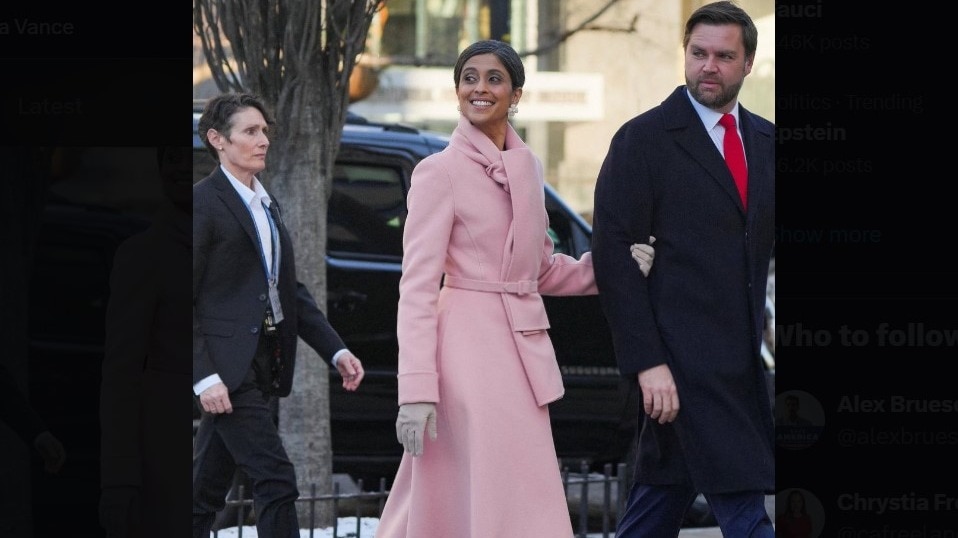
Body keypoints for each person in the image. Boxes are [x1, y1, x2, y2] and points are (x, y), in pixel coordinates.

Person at [375, 40, 655, 538]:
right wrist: (415, 390)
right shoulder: (437, 172)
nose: (479, 88)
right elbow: (416, 287)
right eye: (469, 78)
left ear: (516, 93)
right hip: (463, 350)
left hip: (522, 352)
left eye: (494, 79)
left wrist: (616, 267)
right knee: (472, 485)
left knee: (519, 484)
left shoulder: (527, 168)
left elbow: (540, 271)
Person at [591, 2, 775, 537]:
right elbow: (614, 260)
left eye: (723, 56)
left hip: (739, 365)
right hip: (679, 365)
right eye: (698, 54)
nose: (708, 67)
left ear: (748, 63)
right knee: (744, 511)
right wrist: (647, 363)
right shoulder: (642, 140)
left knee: (657, 507)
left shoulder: (766, 143)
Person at [192, 92, 365, 538]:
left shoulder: (266, 205)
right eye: (250, 131)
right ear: (218, 140)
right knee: (276, 480)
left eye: (264, 130)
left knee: (202, 494)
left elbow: (288, 291)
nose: (263, 140)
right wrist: (204, 376)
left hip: (264, 363)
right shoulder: (203, 204)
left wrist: (336, 349)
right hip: (228, 371)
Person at [99, 146, 192, 537]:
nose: (179, 168)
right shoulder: (142, 255)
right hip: (163, 455)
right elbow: (121, 373)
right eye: (169, 159)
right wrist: (119, 479)